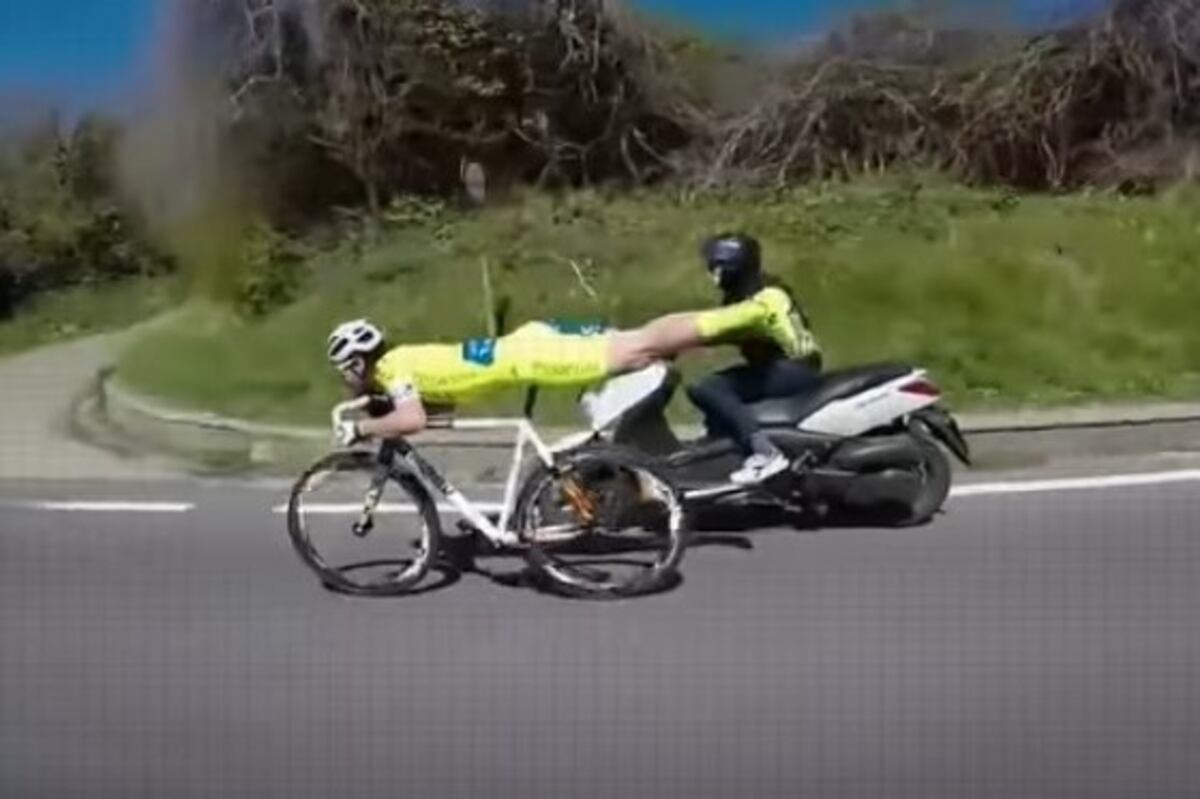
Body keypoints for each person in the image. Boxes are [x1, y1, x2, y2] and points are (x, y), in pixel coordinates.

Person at [325, 291, 807, 451]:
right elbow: (435, 414)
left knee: (641, 345)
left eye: (343, 370)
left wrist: (359, 429)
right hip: (532, 345)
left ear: (357, 361)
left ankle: (760, 309)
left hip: (535, 356)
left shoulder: (395, 369)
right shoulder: (402, 365)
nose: (344, 380)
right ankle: (749, 323)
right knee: (645, 344)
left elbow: (411, 420)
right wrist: (379, 412)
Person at [684, 232, 823, 485]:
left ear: (732, 267)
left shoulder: (763, 298)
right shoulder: (754, 290)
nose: (712, 273)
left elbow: (717, 327)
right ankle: (722, 453)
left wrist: (670, 341)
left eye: (716, 267)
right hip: (783, 367)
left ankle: (766, 452)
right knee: (717, 402)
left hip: (793, 369)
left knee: (708, 388)